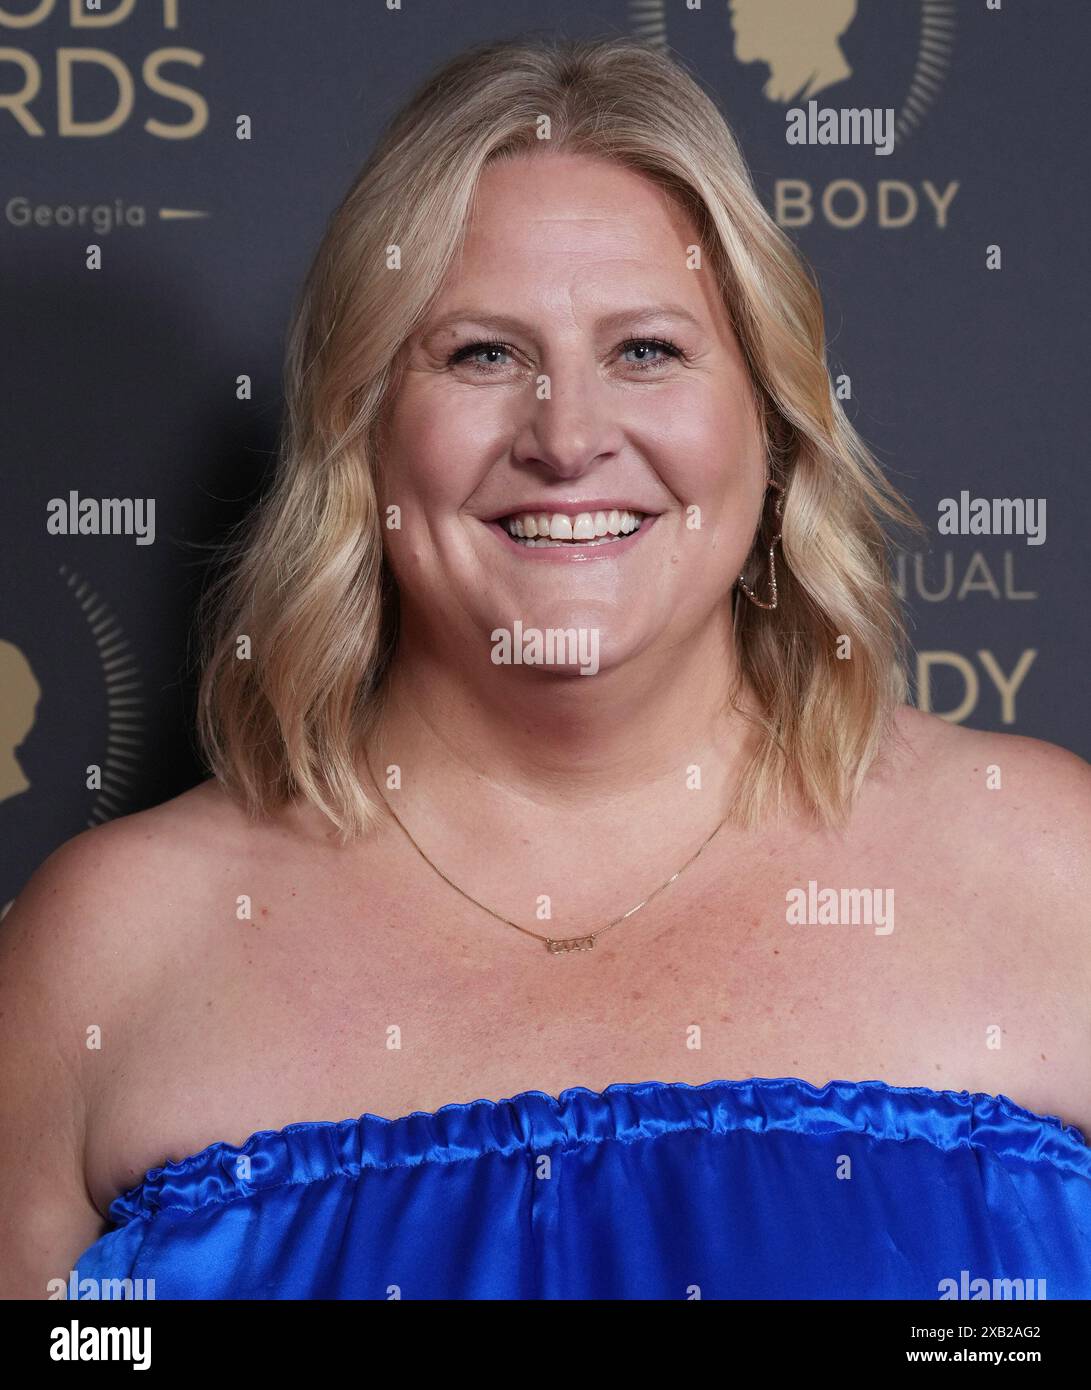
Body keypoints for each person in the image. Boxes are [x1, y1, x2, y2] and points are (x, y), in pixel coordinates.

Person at [2, 35, 1089, 1301]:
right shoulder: (111, 949)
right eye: (479, 354)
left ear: (773, 423)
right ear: (361, 432)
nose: (567, 437)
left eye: (646, 350)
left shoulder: (1049, 869)